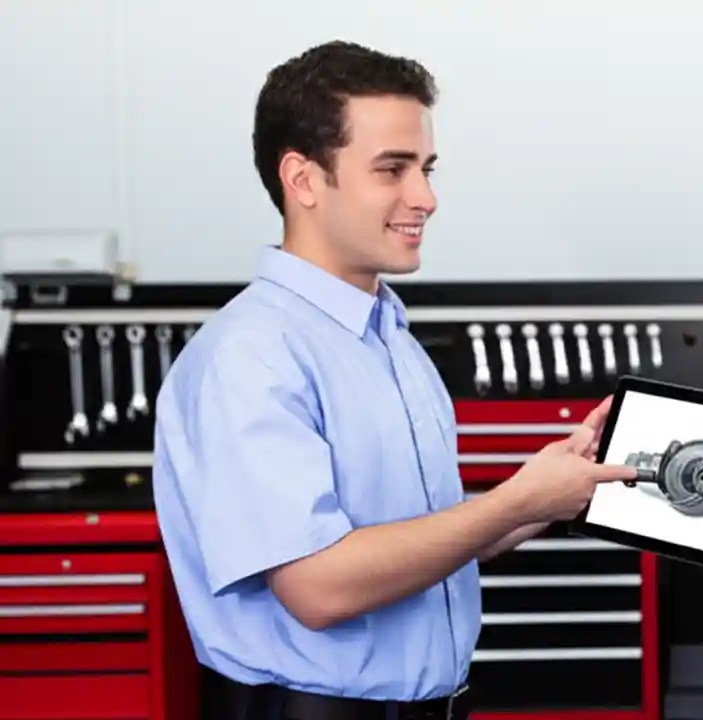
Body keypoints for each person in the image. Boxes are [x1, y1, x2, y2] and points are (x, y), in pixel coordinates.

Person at [150, 40, 636, 720]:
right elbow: (320, 587)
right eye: (392, 169)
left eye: (427, 168)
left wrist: (543, 499)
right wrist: (512, 502)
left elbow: (418, 542)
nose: (426, 197)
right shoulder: (251, 357)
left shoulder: (391, 341)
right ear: (304, 180)